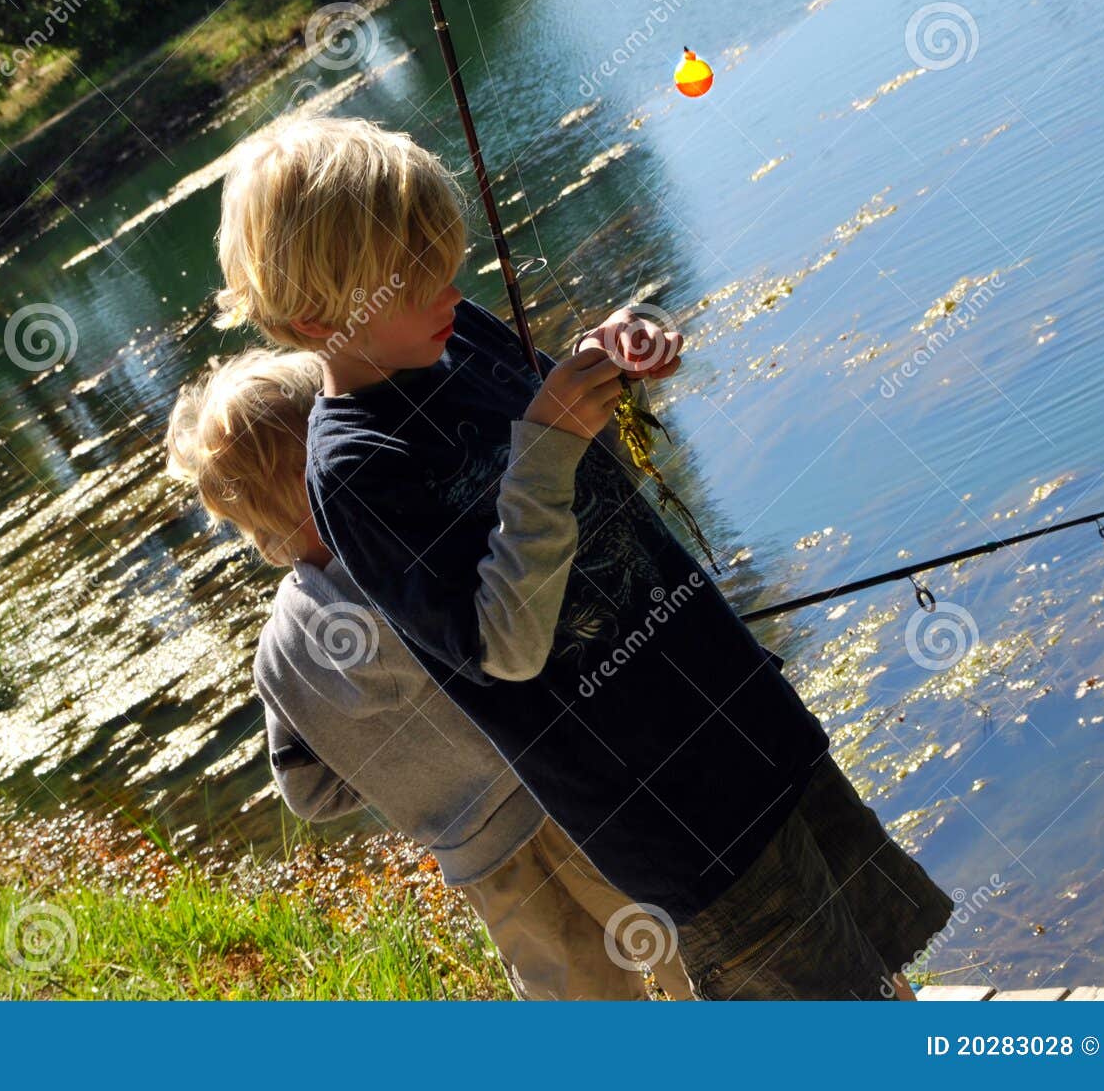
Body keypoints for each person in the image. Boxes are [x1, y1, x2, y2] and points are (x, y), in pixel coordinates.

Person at [210, 114, 957, 1000]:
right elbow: (504, 646)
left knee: (872, 964)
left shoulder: (455, 332)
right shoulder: (356, 472)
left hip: (738, 710)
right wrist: (548, 444)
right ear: (318, 318)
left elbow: (576, 455)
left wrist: (609, 359)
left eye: (444, 254)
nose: (450, 281)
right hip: (672, 805)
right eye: (415, 276)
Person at [165, 345, 693, 1000]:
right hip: (570, 794)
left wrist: (404, 772)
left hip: (488, 864)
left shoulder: (279, 656)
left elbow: (310, 792)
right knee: (684, 950)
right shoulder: (410, 561)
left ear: (251, 523)